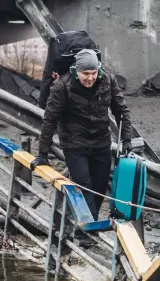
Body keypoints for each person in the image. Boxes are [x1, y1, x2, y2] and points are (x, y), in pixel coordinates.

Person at [30, 49, 132, 246]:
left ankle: (84, 229)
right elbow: (49, 119)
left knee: (100, 187)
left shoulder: (108, 81)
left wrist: (126, 138)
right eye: (86, 74)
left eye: (94, 73)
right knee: (85, 185)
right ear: (76, 71)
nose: (90, 78)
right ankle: (87, 234)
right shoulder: (62, 86)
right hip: (74, 143)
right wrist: (43, 153)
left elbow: (121, 110)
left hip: (101, 141)